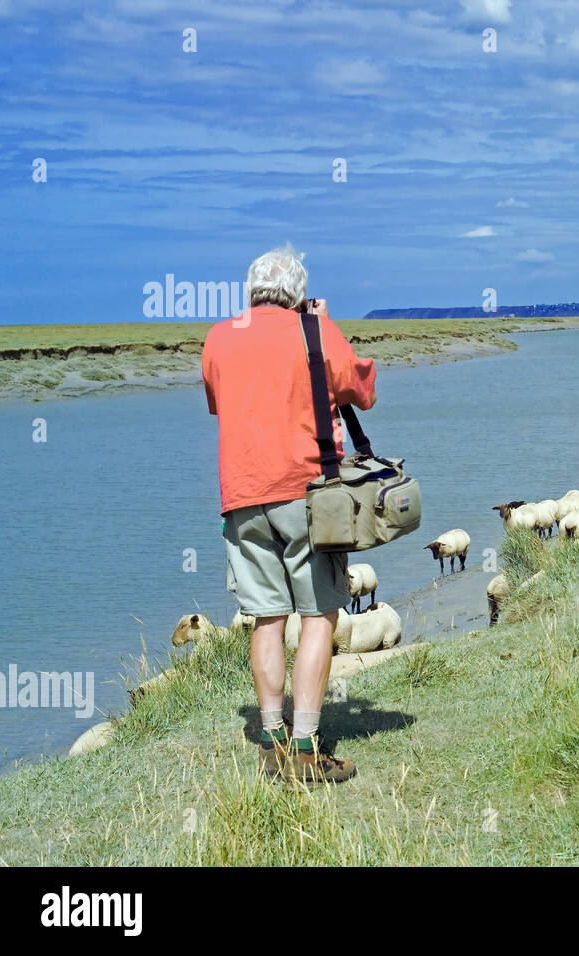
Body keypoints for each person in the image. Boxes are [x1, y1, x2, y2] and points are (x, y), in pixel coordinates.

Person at [202, 245, 377, 785]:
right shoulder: (314, 330)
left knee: (267, 619)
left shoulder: (218, 337)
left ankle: (271, 741)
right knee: (320, 614)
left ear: (251, 290)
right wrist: (325, 322)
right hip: (306, 495)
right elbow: (362, 389)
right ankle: (305, 748)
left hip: (240, 496)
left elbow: (218, 401)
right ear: (299, 292)